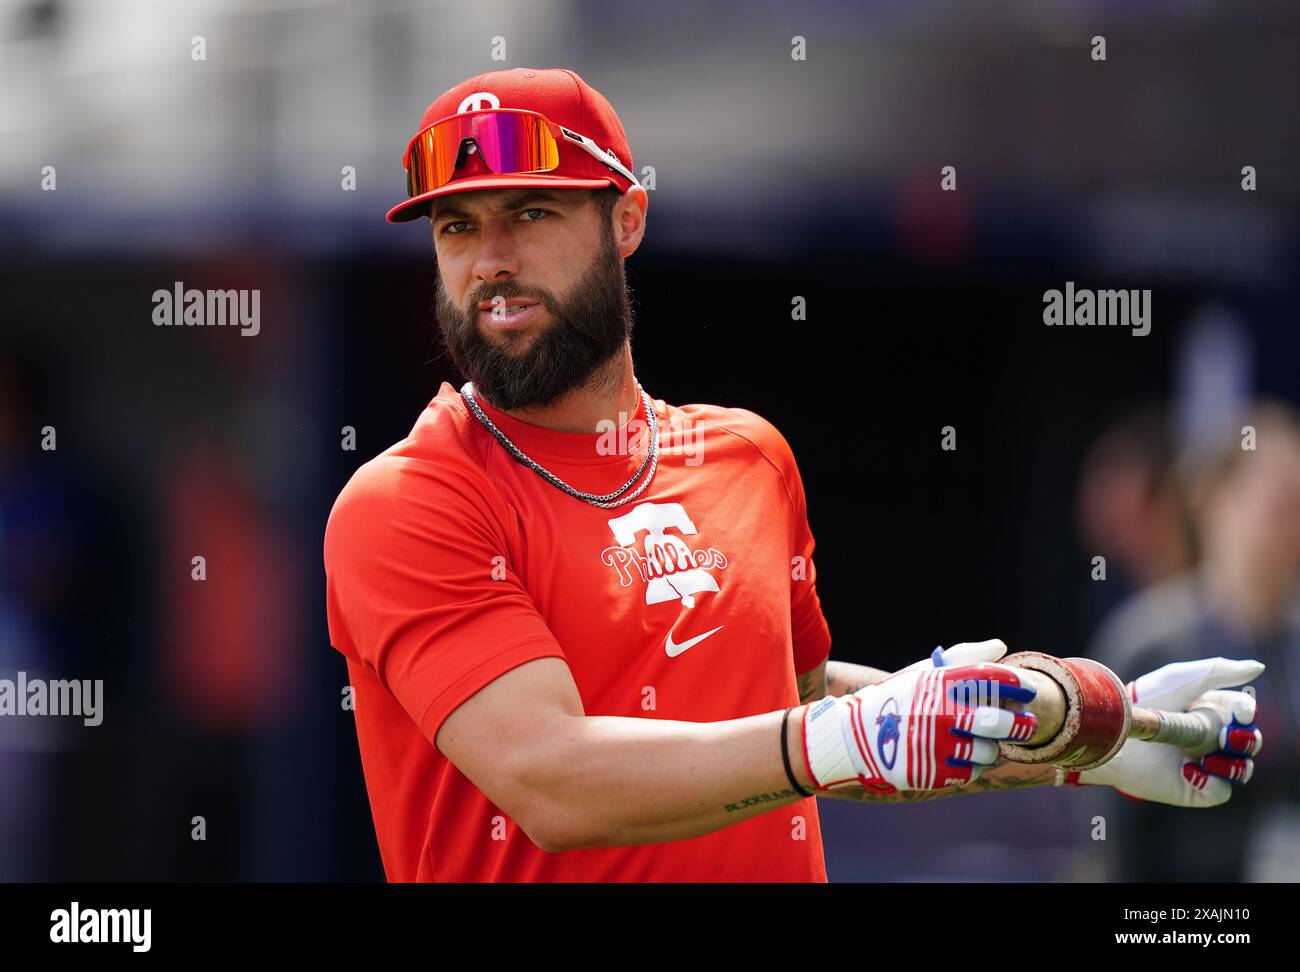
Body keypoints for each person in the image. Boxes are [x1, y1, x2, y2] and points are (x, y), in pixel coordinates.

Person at [322, 67, 1263, 882]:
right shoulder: (407, 502)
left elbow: (799, 703)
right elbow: (552, 780)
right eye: (456, 228)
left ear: (627, 222)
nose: (491, 263)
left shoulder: (745, 456)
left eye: (532, 213)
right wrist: (843, 738)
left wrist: (1092, 738)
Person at [1090, 402, 1300, 881]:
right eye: (1280, 506)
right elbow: (1112, 836)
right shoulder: (1149, 642)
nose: (1293, 530)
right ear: (1213, 503)